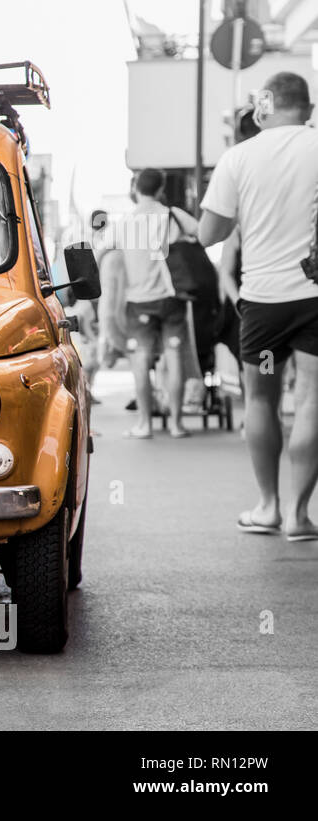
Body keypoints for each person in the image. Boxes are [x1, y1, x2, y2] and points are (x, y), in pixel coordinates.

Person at [200, 71, 318, 542]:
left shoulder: (239, 158)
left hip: (263, 306)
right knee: (311, 398)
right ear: (307, 109)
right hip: (314, 300)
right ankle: (300, 516)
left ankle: (267, 507)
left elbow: (209, 234)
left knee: (263, 399)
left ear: (265, 108)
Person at [116, 169, 199, 439]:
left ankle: (144, 424)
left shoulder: (125, 222)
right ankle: (176, 424)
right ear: (161, 189)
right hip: (171, 297)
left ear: (136, 189)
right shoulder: (171, 215)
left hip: (139, 302)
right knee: (174, 358)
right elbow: (201, 234)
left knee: (140, 361)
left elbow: (100, 251)